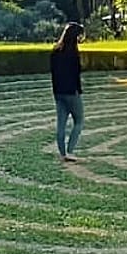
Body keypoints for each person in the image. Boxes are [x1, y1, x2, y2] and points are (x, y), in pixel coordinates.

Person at [50, 22, 85, 162]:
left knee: (61, 123)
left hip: (58, 92)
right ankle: (70, 150)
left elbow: (53, 73)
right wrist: (78, 91)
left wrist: (55, 91)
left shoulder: (55, 51)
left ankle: (62, 152)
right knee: (79, 120)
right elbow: (76, 75)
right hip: (71, 92)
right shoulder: (73, 54)